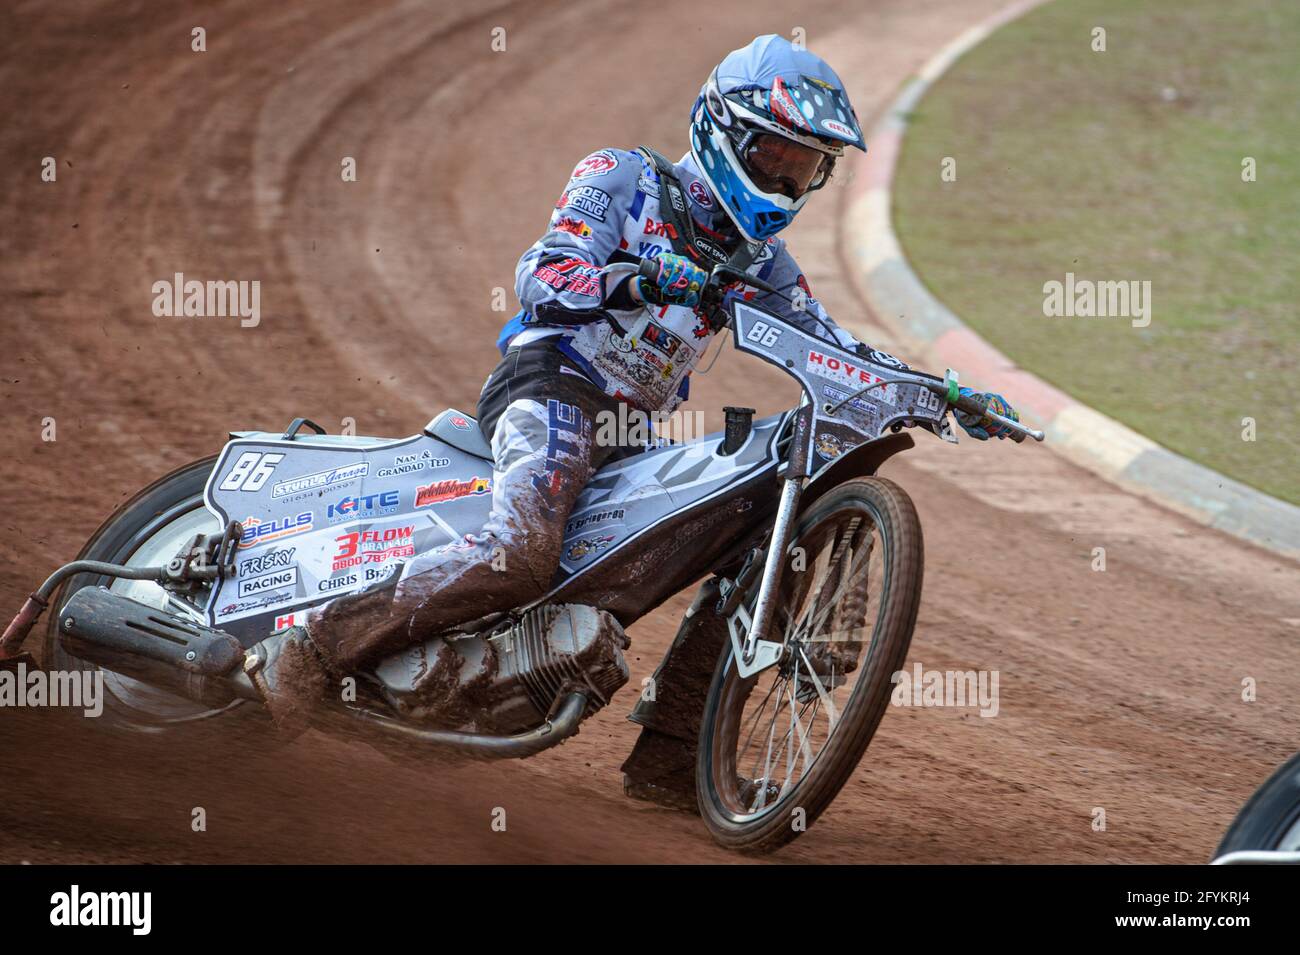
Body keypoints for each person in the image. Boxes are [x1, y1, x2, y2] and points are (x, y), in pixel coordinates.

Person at [243, 35, 1020, 734]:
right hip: (553, 385)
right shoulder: (624, 178)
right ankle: (311, 648)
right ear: (723, 132)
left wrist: (939, 393)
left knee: (729, 526)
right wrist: (642, 278)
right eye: (775, 157)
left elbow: (835, 349)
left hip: (633, 434)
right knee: (521, 550)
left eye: (806, 167)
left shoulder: (768, 268)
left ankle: (676, 757)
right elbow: (541, 274)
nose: (787, 179)